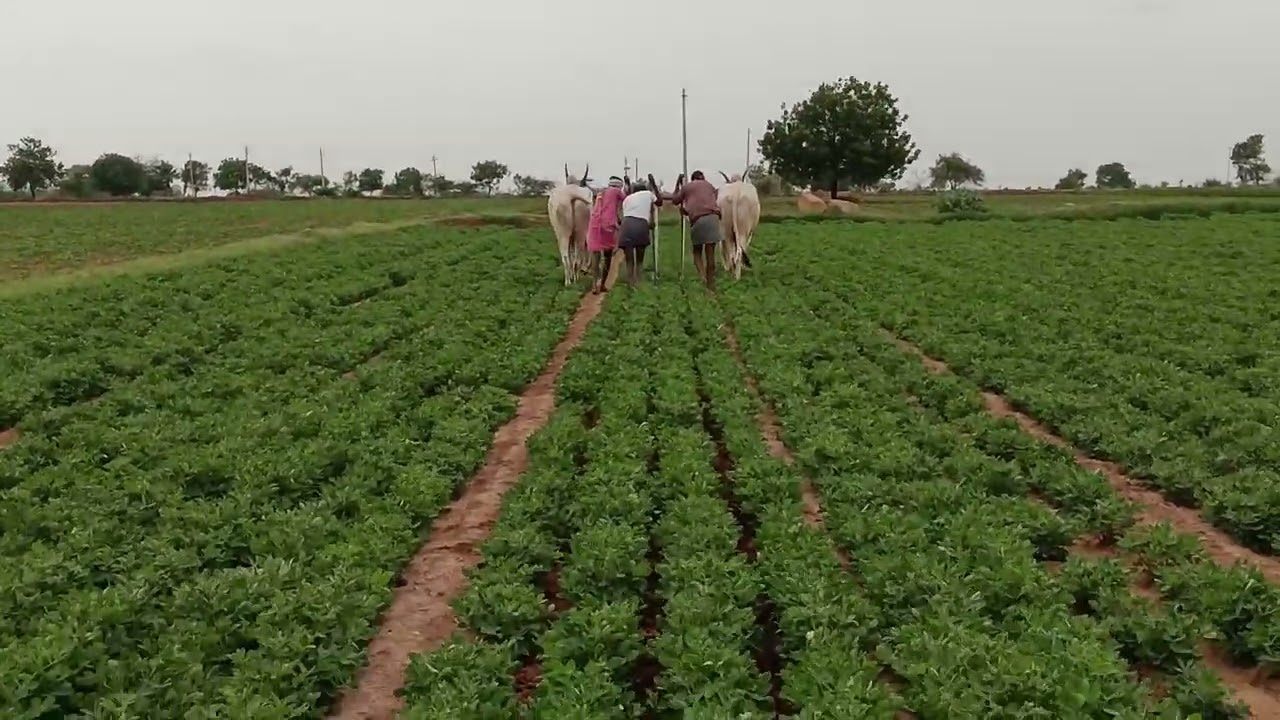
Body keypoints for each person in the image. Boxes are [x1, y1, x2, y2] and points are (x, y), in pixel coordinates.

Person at [665, 170, 720, 289]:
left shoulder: (687, 187)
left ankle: (703, 277)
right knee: (710, 253)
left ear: (692, 178)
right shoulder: (709, 185)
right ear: (702, 178)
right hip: (713, 218)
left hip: (698, 220)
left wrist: (678, 183)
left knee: (697, 252)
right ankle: (711, 283)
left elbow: (675, 200)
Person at [618, 174, 662, 287]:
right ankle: (638, 282)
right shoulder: (648, 194)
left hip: (626, 226)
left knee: (629, 259)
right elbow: (659, 202)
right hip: (641, 225)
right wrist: (654, 185)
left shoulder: (627, 199)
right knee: (639, 258)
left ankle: (630, 282)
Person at [587, 175, 626, 294]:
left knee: (595, 255)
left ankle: (594, 285)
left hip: (594, 225)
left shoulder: (601, 192)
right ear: (619, 185)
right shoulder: (617, 192)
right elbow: (626, 201)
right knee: (607, 256)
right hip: (607, 225)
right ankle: (603, 284)